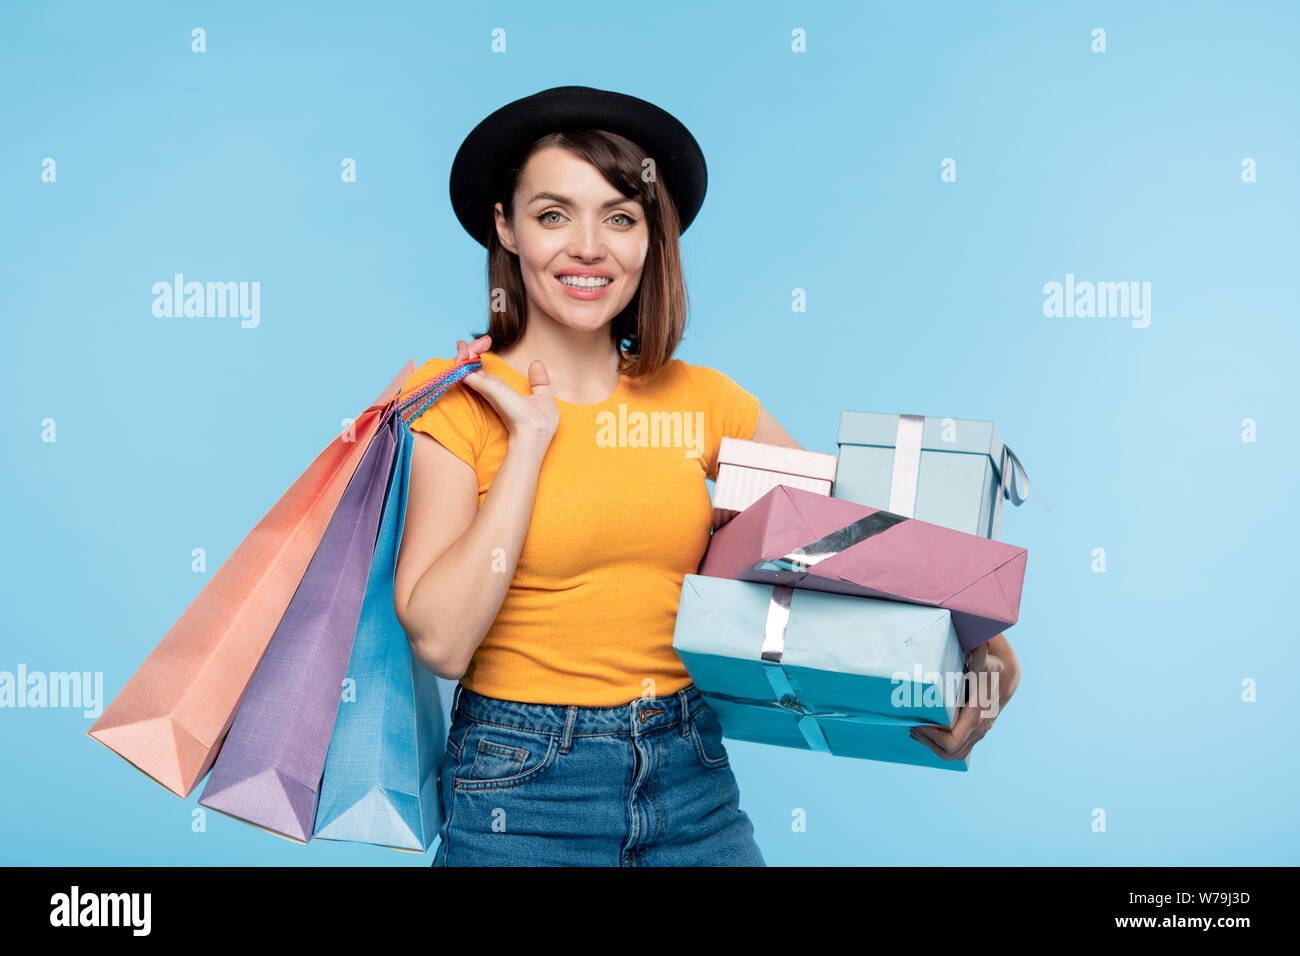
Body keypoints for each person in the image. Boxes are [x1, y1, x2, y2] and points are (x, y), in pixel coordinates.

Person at [393, 86, 1019, 866]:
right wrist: (528, 441)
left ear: (651, 239)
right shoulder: (459, 404)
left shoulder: (703, 403)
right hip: (521, 784)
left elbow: (845, 542)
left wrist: (977, 636)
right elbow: (443, 643)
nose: (588, 246)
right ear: (506, 228)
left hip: (689, 772)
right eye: (554, 214)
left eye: (620, 217)